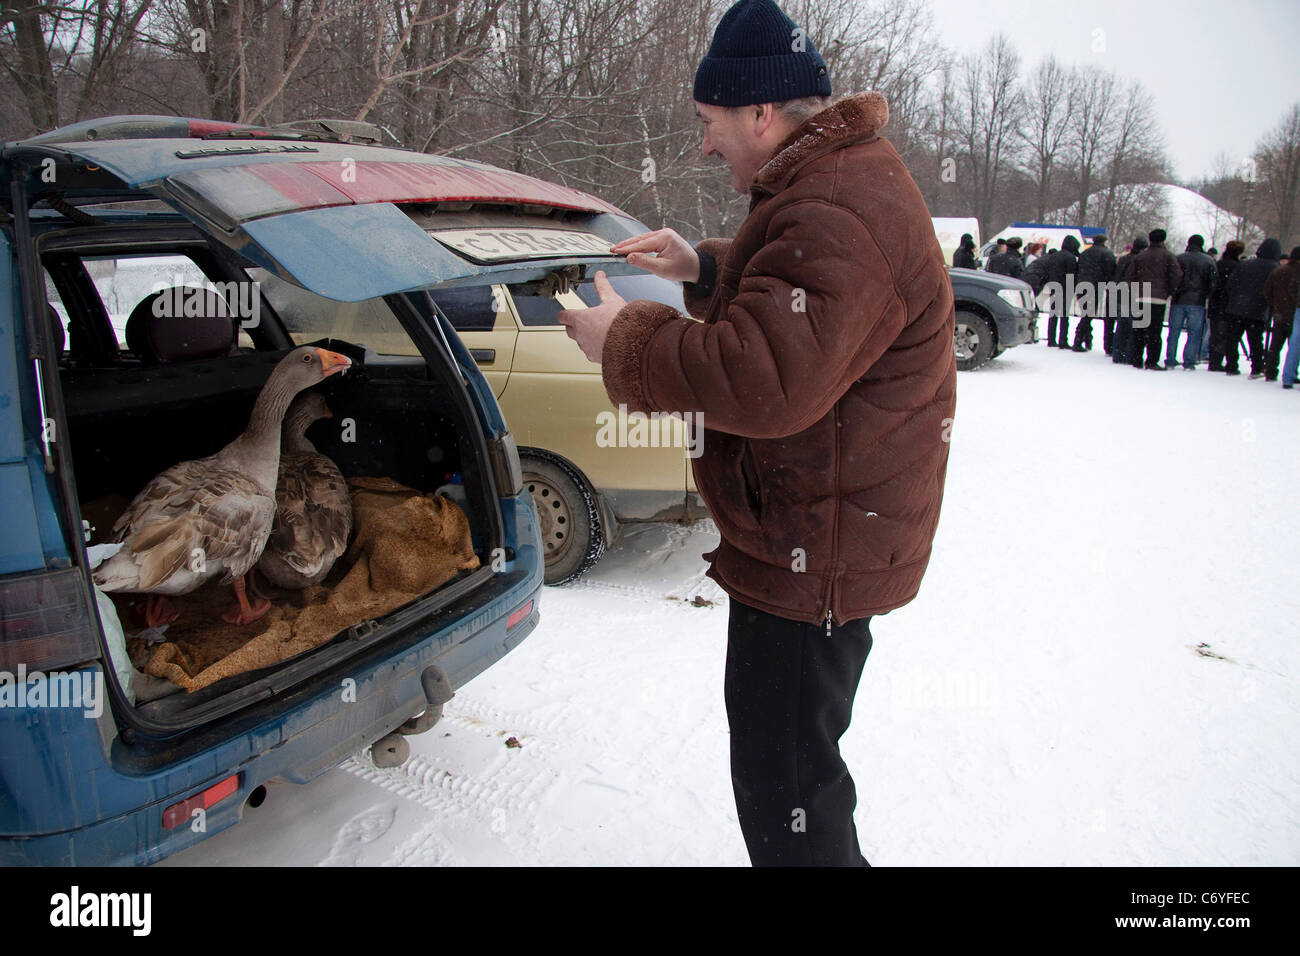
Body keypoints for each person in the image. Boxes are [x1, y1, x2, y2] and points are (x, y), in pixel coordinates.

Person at [557, 0, 956, 867]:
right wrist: (703, 267)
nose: (705, 144)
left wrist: (622, 342)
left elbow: (765, 380)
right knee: (792, 780)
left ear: (761, 115)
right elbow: (803, 304)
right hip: (819, 533)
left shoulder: (835, 207)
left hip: (817, 551)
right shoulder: (837, 182)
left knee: (789, 797)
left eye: (709, 124)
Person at [1223, 238, 1282, 379]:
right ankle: (1256, 367)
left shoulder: (1244, 264)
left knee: (1232, 338)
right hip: (1258, 309)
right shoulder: (1275, 268)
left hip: (1236, 307)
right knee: (1255, 340)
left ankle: (1231, 365)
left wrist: (1235, 298)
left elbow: (1230, 284)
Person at [1128, 228, 1182, 370]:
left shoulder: (1140, 256)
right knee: (1155, 332)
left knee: (1139, 329)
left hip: (1141, 296)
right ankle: (1151, 361)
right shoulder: (1169, 256)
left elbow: (1130, 276)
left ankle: (1136, 358)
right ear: (1163, 239)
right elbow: (1176, 276)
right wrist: (1169, 291)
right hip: (1159, 299)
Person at [1166, 234, 1217, 370]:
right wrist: (1206, 295)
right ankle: (1189, 360)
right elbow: (1213, 282)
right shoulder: (1209, 261)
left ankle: (1170, 358)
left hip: (1178, 299)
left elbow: (1171, 277)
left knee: (1174, 332)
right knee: (1194, 333)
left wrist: (1174, 292)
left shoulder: (1179, 258)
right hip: (1197, 301)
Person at [1024, 235, 1080, 348]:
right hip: (1066, 288)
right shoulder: (1070, 258)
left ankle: (1051, 339)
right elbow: (1071, 275)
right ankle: (1063, 340)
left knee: (1053, 314)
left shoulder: (1054, 256)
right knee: (1064, 316)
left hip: (1054, 286)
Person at [1263, 244, 1300, 387]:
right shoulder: (1297, 272)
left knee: (1276, 344)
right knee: (1294, 346)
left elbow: (1267, 292)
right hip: (1294, 312)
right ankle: (1292, 373)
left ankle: (1271, 371)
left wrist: (1276, 304)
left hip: (1279, 313)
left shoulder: (1278, 271)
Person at [1207, 240, 1246, 373]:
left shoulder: (1218, 264)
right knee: (1225, 335)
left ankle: (1214, 360)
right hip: (1229, 304)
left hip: (1215, 302)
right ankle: (1217, 361)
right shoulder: (1238, 267)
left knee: (1215, 333)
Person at [1073, 234, 1116, 352]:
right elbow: (1110, 271)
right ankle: (1078, 341)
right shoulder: (1107, 254)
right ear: (1104, 242)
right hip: (1095, 286)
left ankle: (1087, 340)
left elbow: (1078, 268)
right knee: (1088, 315)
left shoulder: (1085, 253)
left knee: (1086, 313)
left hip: (1081, 284)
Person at [1111, 235, 1148, 364]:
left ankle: (1117, 354)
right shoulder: (1141, 260)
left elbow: (1117, 276)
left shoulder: (1124, 259)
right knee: (1133, 328)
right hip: (1134, 296)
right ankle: (1129, 355)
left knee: (1121, 327)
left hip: (1122, 295)